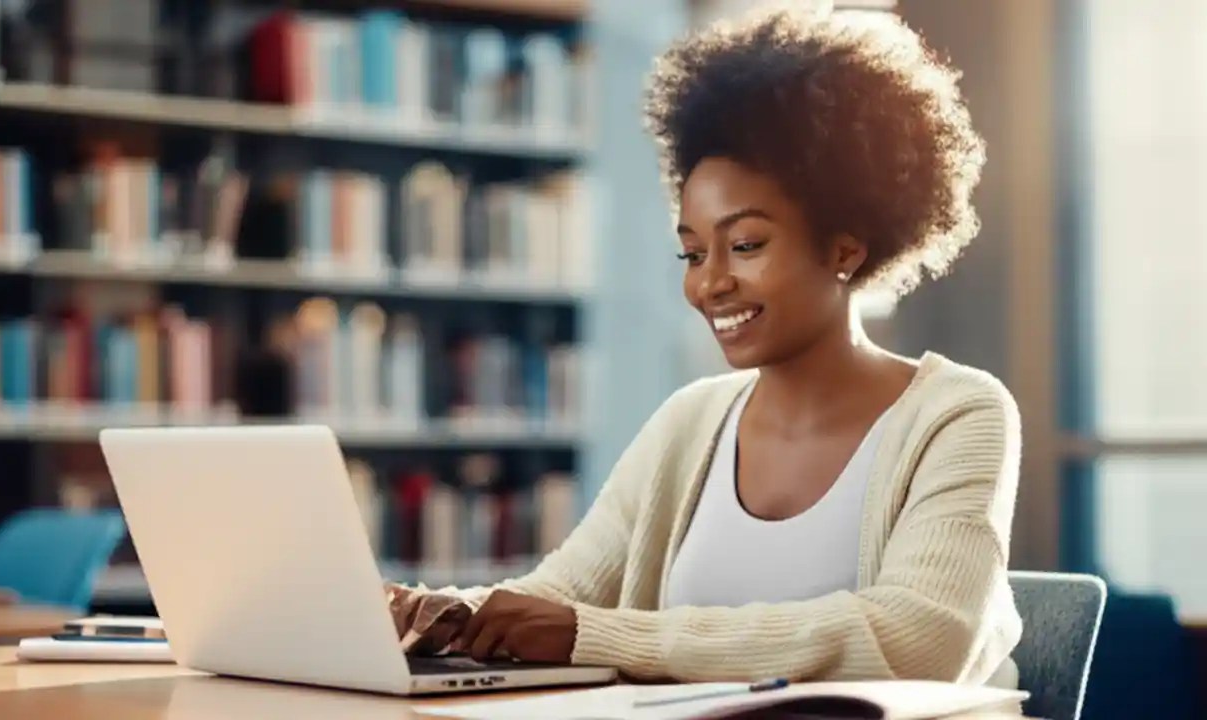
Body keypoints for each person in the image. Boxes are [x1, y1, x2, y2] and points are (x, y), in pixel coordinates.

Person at [389, 6, 1022, 687]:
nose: (710, 283)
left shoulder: (957, 414)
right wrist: (441, 613)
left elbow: (920, 639)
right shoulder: (691, 422)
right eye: (693, 253)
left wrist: (597, 635)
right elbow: (560, 596)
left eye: (745, 245)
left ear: (844, 248)